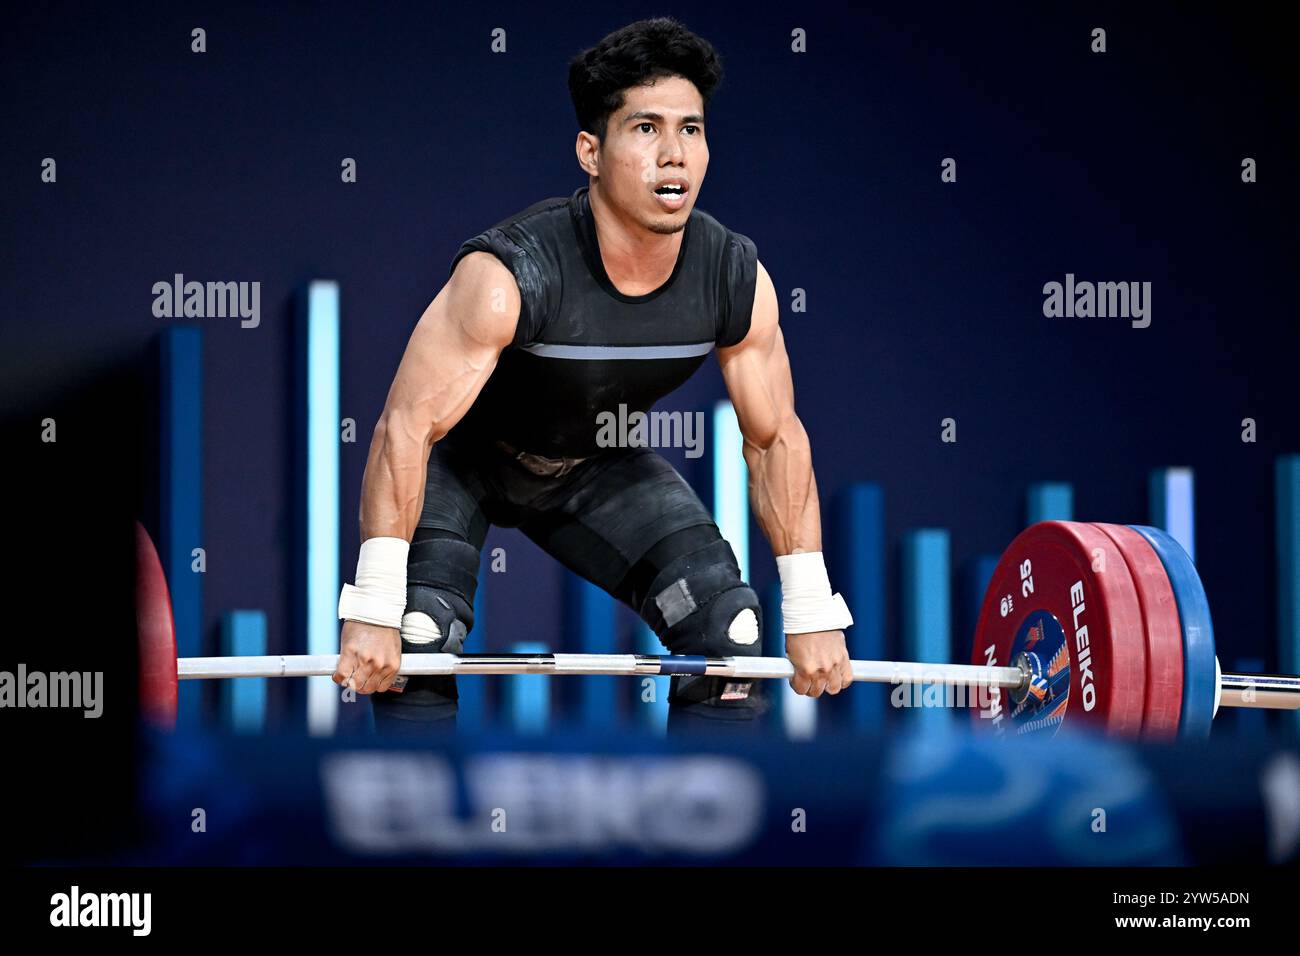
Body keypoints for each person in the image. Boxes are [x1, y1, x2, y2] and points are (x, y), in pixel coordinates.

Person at [332, 17, 853, 734]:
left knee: (728, 635)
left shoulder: (735, 278)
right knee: (417, 638)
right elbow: (406, 427)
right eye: (645, 129)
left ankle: (699, 836)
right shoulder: (508, 275)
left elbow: (773, 440)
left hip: (593, 464)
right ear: (591, 151)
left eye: (691, 130)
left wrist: (811, 608)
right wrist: (373, 608)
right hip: (464, 462)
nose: (674, 155)